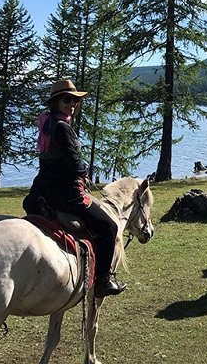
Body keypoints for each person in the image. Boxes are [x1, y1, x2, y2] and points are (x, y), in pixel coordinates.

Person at [23, 79, 126, 298]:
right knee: (109, 228)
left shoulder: (47, 124)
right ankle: (103, 281)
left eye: (75, 100)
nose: (72, 104)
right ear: (56, 102)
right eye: (67, 99)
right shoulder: (62, 127)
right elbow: (72, 159)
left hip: (42, 192)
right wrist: (82, 174)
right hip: (66, 195)